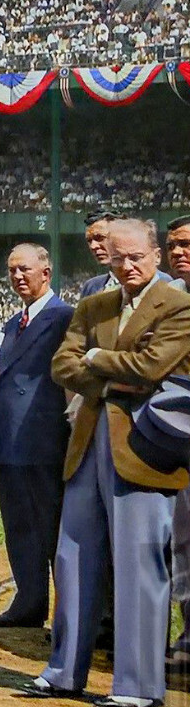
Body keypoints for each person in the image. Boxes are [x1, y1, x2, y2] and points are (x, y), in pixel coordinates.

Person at [21, 219, 190, 707]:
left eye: (136, 256)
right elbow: (63, 366)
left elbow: (151, 367)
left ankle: (137, 685)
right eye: (118, 258)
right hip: (88, 441)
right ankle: (63, 672)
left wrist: (95, 357)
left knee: (140, 564)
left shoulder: (178, 305)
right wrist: (113, 377)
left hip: (144, 447)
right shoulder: (93, 305)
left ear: (156, 255)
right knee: (73, 557)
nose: (127, 266)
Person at [0, 243, 73, 628]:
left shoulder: (63, 317)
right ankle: (29, 602)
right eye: (12, 270)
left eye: (24, 269)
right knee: (19, 526)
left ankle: (67, 615)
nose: (18, 276)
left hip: (44, 441)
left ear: (46, 272)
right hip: (9, 440)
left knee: (53, 530)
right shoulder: (13, 323)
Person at [162, 214, 190, 675]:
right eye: (173, 246)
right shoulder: (166, 301)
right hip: (179, 436)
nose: (179, 252)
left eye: (187, 243)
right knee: (183, 540)